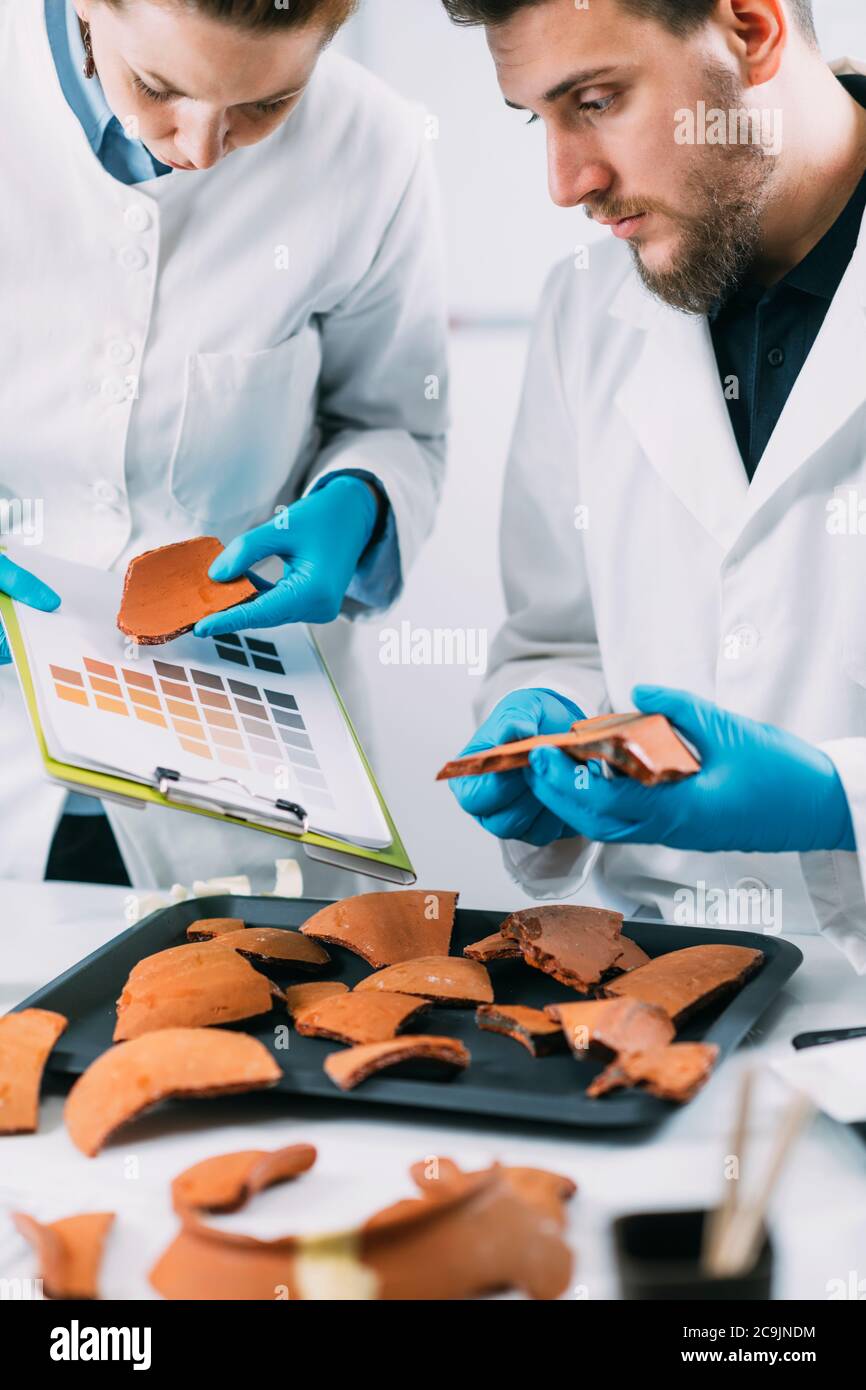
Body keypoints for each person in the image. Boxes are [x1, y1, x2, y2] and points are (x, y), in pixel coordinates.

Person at [442, 0, 866, 972]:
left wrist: (831, 797)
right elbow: (554, 637)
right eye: (536, 119)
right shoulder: (583, 311)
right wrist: (543, 722)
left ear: (749, 31)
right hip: (648, 996)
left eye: (594, 100)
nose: (564, 182)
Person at [0, 0, 447, 891]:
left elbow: (396, 417)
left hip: (240, 775)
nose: (199, 148)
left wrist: (356, 501)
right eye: (156, 86)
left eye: (268, 105)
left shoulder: (373, 148)